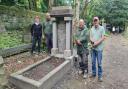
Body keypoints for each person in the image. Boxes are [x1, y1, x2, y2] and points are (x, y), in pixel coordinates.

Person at [90, 17, 105, 82]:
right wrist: (92, 42)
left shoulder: (102, 28)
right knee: (93, 62)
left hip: (99, 49)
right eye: (94, 21)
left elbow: (103, 38)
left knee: (99, 63)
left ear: (98, 21)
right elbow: (90, 37)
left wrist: (96, 43)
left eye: (96, 21)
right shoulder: (92, 28)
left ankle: (100, 76)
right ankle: (93, 73)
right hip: (93, 48)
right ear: (93, 22)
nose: (95, 22)